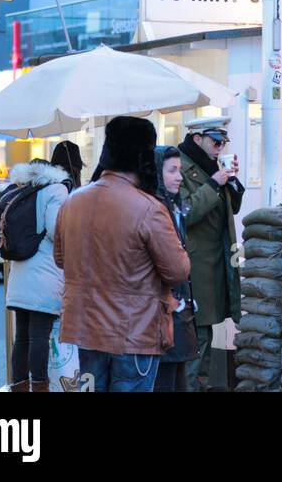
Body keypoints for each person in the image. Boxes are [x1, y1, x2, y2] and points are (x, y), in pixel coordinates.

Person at [54, 116, 191, 392]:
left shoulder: (73, 201)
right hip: (135, 333)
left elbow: (61, 259)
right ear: (144, 157)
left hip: (86, 330)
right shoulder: (149, 208)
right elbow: (178, 270)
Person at [177, 117, 245, 392]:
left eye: (223, 141)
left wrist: (233, 182)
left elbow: (232, 209)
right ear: (197, 138)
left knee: (207, 335)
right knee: (197, 339)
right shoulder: (179, 166)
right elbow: (185, 213)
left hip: (216, 264)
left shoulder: (212, 166)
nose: (220, 146)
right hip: (195, 266)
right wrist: (214, 184)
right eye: (216, 140)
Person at [4, 158, 70, 392]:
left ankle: (19, 387)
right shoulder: (56, 189)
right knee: (38, 335)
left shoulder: (22, 189)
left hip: (21, 273)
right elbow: (56, 231)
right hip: (44, 273)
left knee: (22, 336)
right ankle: (40, 388)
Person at [152, 146, 198, 392]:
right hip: (162, 313)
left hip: (176, 311)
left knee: (177, 378)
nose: (179, 177)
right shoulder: (156, 210)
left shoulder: (173, 206)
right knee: (166, 381)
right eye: (172, 171)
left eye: (179, 170)